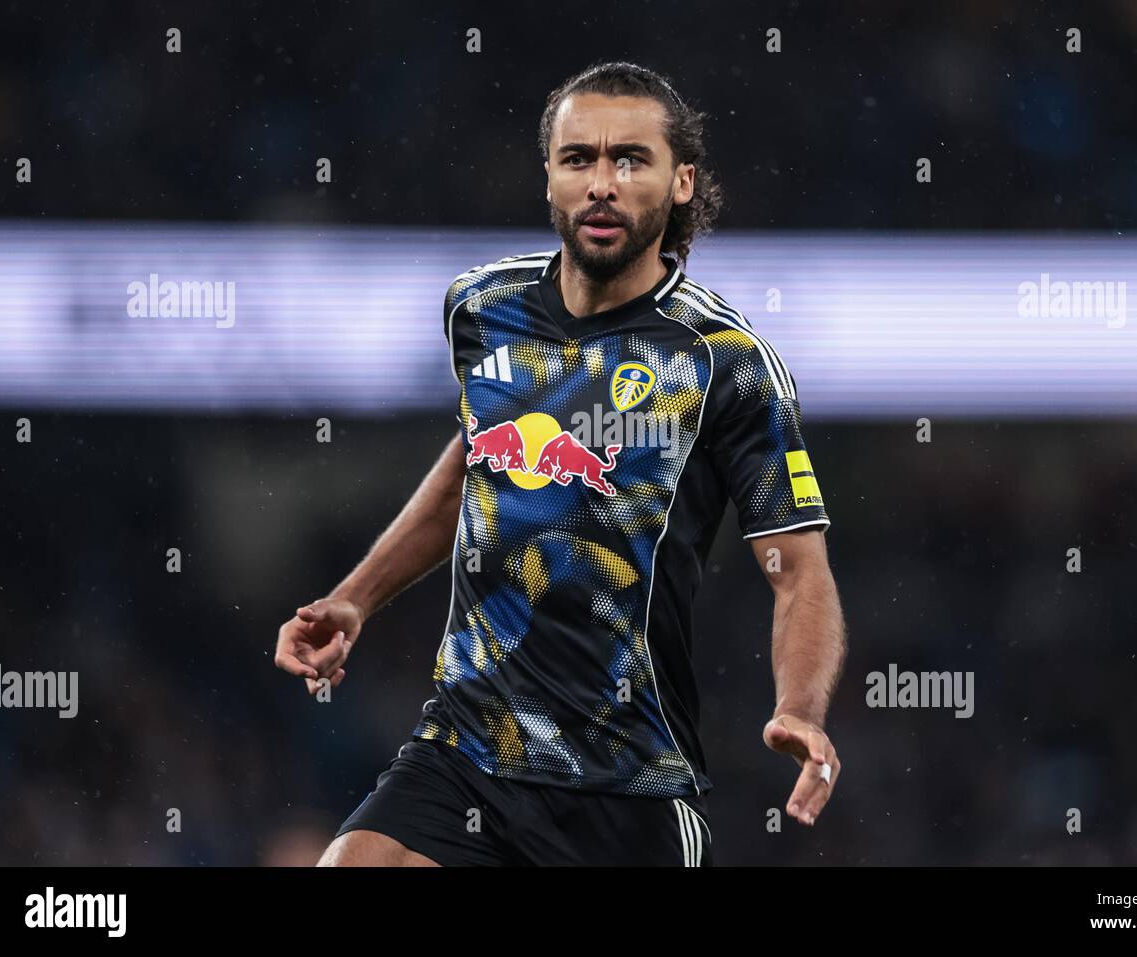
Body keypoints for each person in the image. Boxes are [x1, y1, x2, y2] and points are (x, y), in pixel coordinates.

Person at [274, 61, 846, 866]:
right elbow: (480, 454)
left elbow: (799, 571)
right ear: (549, 175)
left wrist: (801, 706)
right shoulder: (482, 309)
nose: (602, 183)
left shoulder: (724, 361)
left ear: (681, 182)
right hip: (468, 747)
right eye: (579, 159)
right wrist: (355, 599)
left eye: (630, 160)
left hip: (629, 782)